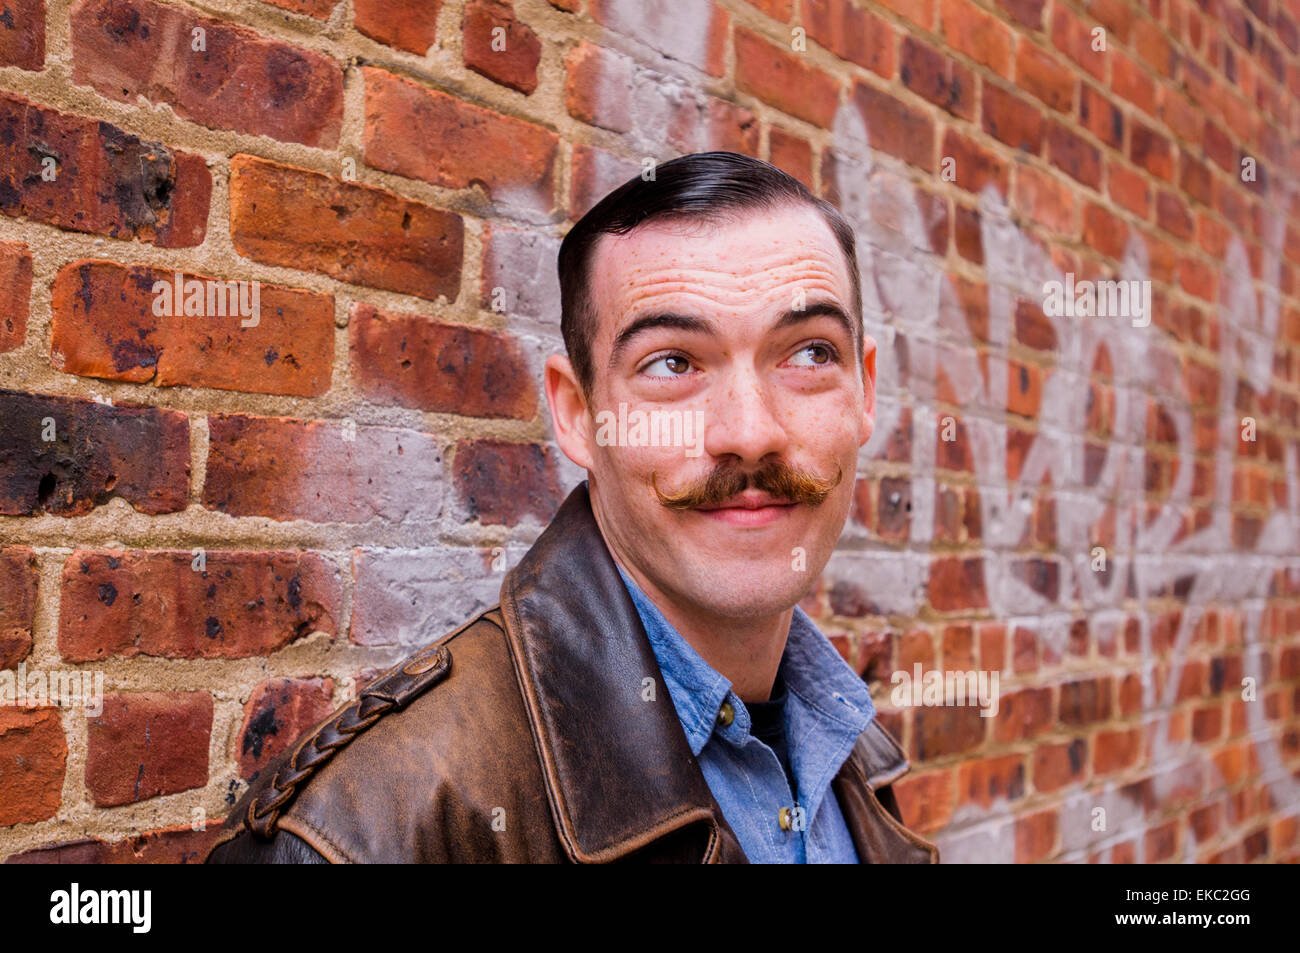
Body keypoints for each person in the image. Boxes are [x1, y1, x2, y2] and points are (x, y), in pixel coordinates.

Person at [204, 151, 939, 864]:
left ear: (865, 392)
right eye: (674, 363)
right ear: (578, 414)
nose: (749, 433)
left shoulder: (847, 752)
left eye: (809, 353)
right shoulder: (376, 826)